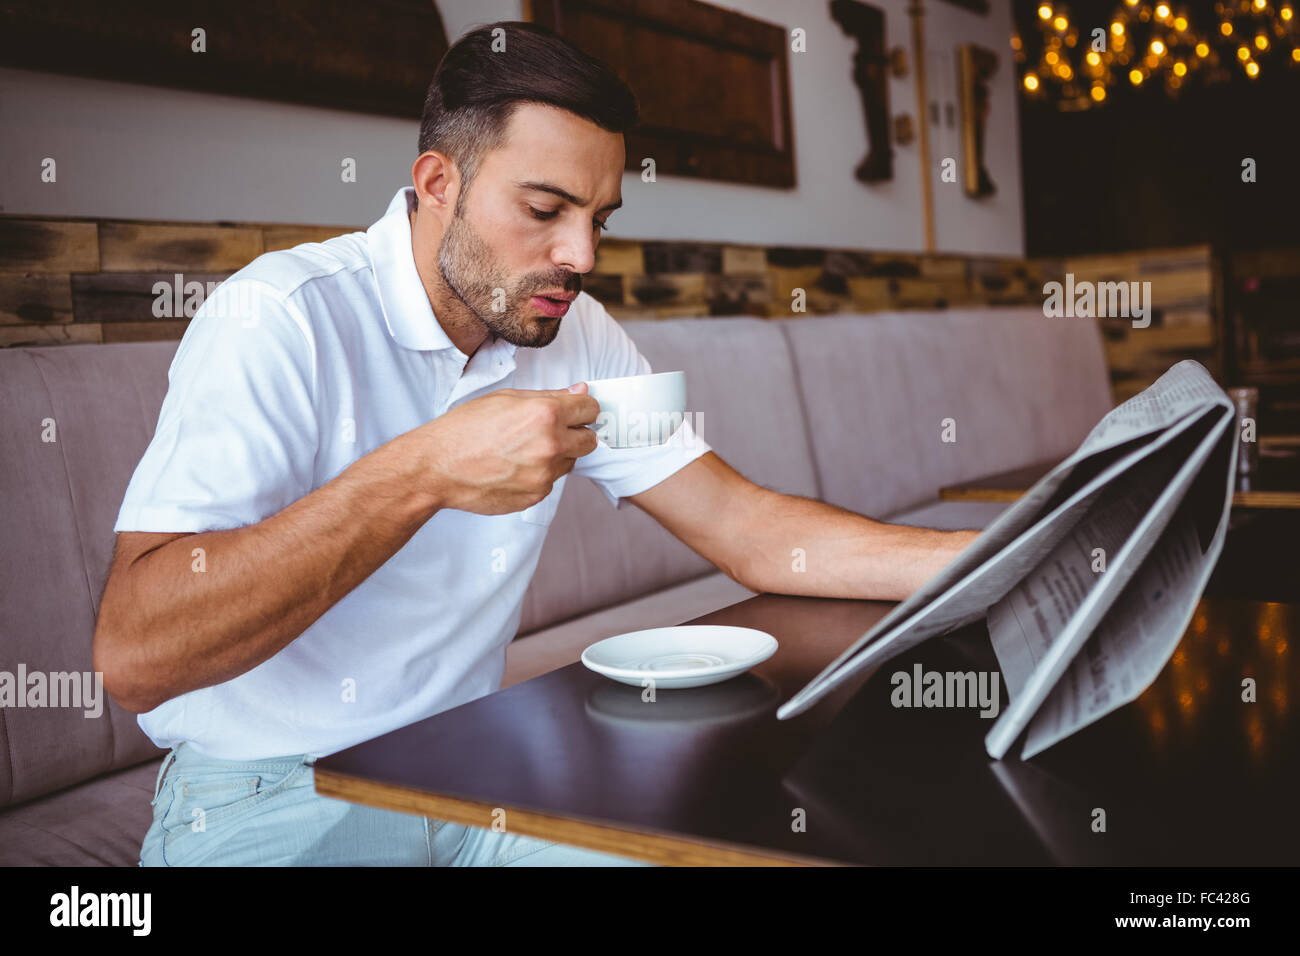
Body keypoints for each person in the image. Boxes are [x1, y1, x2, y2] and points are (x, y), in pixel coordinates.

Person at [94, 20, 980, 866]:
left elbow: (744, 526)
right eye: (546, 208)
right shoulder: (282, 317)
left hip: (474, 768)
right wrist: (425, 469)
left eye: (601, 217)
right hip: (272, 796)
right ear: (438, 183)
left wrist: (999, 555)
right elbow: (137, 659)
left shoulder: (576, 330)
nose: (583, 253)